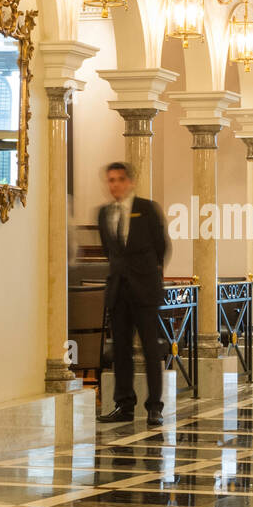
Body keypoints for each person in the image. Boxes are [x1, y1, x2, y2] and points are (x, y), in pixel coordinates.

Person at [96, 162, 168, 427]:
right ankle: (124, 404)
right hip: (118, 291)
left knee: (150, 349)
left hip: (145, 290)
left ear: (130, 182)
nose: (115, 185)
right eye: (111, 180)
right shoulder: (104, 213)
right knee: (121, 350)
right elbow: (110, 251)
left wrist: (146, 274)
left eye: (119, 179)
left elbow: (161, 247)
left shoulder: (146, 209)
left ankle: (154, 407)